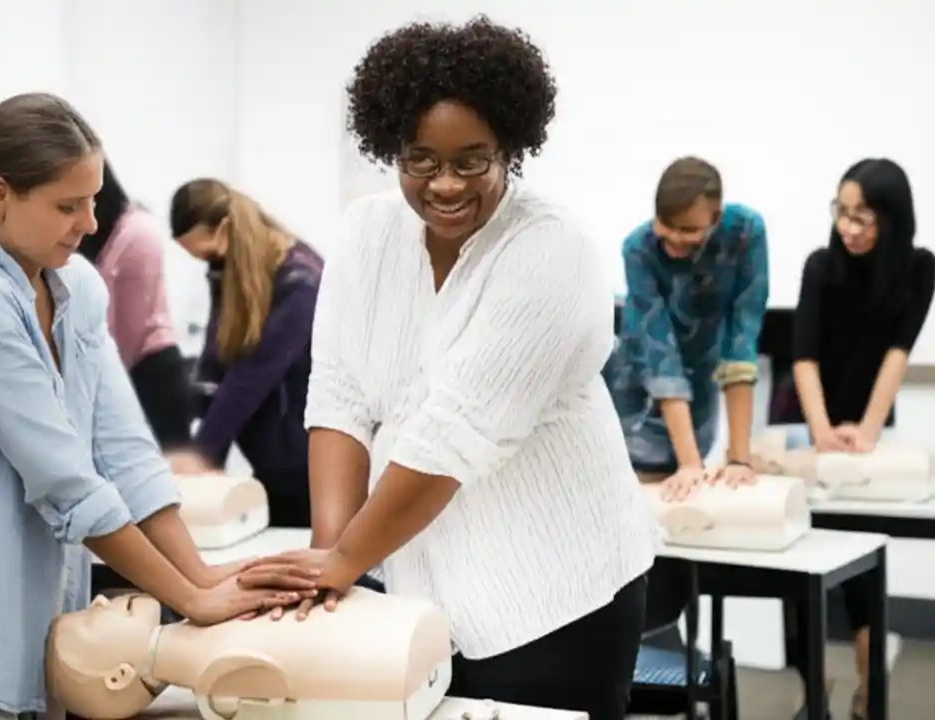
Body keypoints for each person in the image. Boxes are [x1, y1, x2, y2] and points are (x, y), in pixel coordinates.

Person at [240, 18, 660, 719]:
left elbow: (450, 436)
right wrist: (328, 561)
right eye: (419, 160)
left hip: (556, 597)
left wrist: (343, 564)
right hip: (420, 588)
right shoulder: (366, 234)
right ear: (390, 150)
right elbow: (340, 394)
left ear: (511, 150)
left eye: (472, 161)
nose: (444, 184)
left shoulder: (553, 255)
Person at [0, 93, 312, 720]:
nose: (90, 223)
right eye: (68, 205)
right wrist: (190, 601)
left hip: (35, 647)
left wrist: (204, 577)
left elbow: (126, 456)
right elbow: (68, 485)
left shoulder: (76, 288)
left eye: (92, 200)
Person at [601, 157, 769, 647]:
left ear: (716, 218)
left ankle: (672, 661)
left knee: (688, 523)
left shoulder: (745, 233)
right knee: (644, 522)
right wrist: (692, 463)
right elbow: (660, 354)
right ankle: (636, 654)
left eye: (688, 231)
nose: (674, 239)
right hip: (637, 391)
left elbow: (744, 336)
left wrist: (738, 456)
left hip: (697, 391)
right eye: (666, 227)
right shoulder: (639, 247)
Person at [785, 158, 931, 720]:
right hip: (816, 420)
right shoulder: (821, 266)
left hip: (866, 430)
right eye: (841, 212)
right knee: (804, 551)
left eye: (861, 216)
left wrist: (867, 431)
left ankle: (870, 682)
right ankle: (812, 687)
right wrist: (823, 431)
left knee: (861, 547)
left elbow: (898, 353)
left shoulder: (918, 269)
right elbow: (803, 357)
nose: (848, 226)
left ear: (890, 220)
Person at [166, 178, 323, 528]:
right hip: (269, 460)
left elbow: (250, 377)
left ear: (225, 228)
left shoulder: (301, 282)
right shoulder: (231, 271)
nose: (209, 265)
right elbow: (215, 362)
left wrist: (203, 454)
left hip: (305, 467)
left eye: (208, 255)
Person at [79, 159, 193, 449]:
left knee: (166, 478)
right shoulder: (121, 231)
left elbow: (118, 323)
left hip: (151, 369)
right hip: (140, 367)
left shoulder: (134, 232)